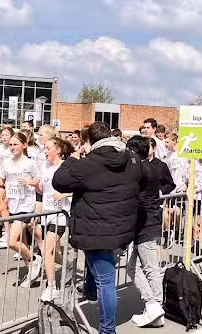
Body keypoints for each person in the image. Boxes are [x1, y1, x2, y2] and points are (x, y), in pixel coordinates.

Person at [52, 122, 142, 334]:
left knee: (107, 281)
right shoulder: (132, 159)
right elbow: (144, 179)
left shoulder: (88, 163)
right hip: (120, 227)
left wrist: (73, 156)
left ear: (89, 141)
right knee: (102, 273)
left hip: (96, 229)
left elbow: (59, 181)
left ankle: (107, 330)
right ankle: (91, 292)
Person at [124, 136, 166, 327]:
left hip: (146, 224)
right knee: (135, 268)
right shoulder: (147, 168)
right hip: (146, 222)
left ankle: (155, 306)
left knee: (149, 268)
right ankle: (153, 306)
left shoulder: (140, 170)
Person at [0, 132, 42, 289]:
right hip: (13, 206)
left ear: (24, 145)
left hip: (27, 206)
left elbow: (39, 184)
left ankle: (35, 259)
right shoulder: (5, 163)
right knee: (22, 242)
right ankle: (31, 272)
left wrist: (30, 182)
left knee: (12, 241)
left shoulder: (30, 164)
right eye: (11, 145)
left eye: (16, 144)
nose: (13, 147)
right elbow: (0, 181)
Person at [35, 137, 71, 300]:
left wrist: (64, 194)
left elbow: (79, 188)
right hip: (47, 214)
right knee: (51, 251)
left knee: (47, 249)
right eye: (45, 148)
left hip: (61, 214)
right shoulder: (44, 167)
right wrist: (35, 185)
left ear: (58, 150)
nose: (45, 151)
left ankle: (52, 286)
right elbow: (43, 191)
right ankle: (68, 265)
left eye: (48, 148)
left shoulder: (66, 167)